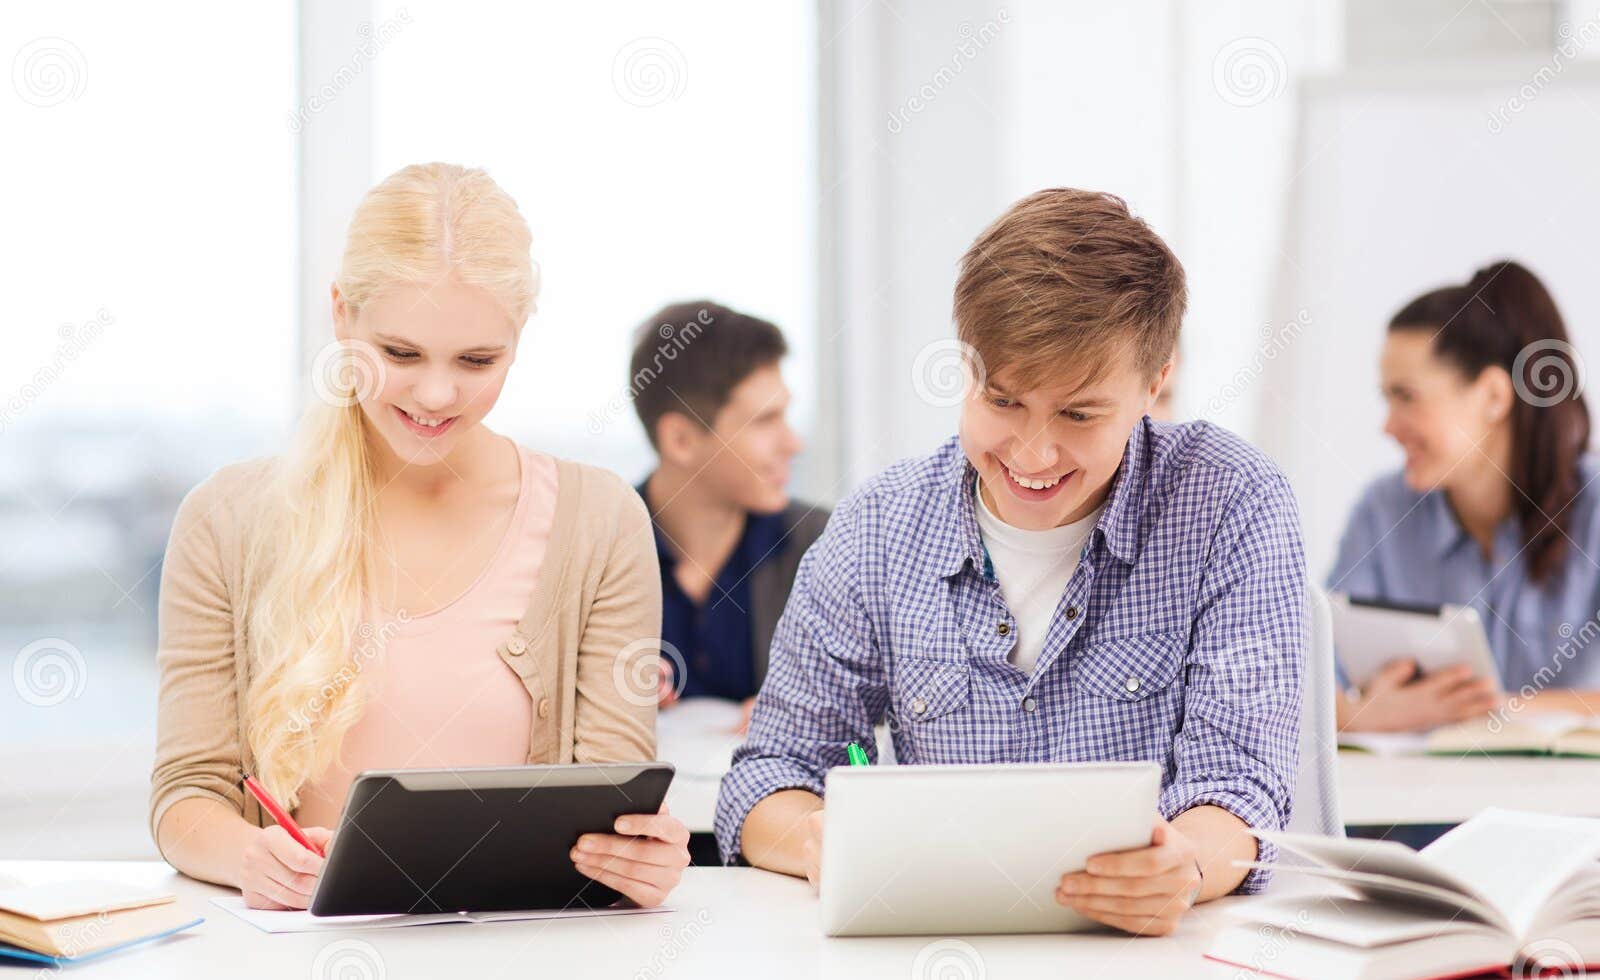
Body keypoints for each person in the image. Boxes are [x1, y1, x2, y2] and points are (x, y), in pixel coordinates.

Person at [716, 188, 1307, 937]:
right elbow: (769, 775)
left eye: (1080, 414)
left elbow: (1241, 784)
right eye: (1003, 402)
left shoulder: (1231, 501)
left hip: (1153, 966)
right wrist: (817, 839)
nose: (1032, 454)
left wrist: (1185, 866)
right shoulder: (880, 525)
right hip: (940, 962)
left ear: (1156, 381)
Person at [151, 163, 689, 910]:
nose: (436, 396)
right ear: (341, 314)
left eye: (476, 361)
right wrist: (253, 857)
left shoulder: (599, 522)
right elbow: (186, 797)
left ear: (518, 337)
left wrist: (638, 859)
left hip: (529, 970)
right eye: (400, 354)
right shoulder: (227, 520)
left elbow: (609, 805)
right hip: (300, 966)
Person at [1330, 260, 1600, 733]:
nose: (1388, 426)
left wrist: (1491, 710)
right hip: (1416, 801)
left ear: (1493, 396)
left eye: (1406, 396)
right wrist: (1357, 715)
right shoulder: (1382, 512)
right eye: (1386, 399)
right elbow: (1300, 679)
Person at [629, 301, 828, 731]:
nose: (793, 443)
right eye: (765, 421)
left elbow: (887, 719)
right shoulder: (591, 553)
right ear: (680, 439)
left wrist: (825, 718)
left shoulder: (830, 546)